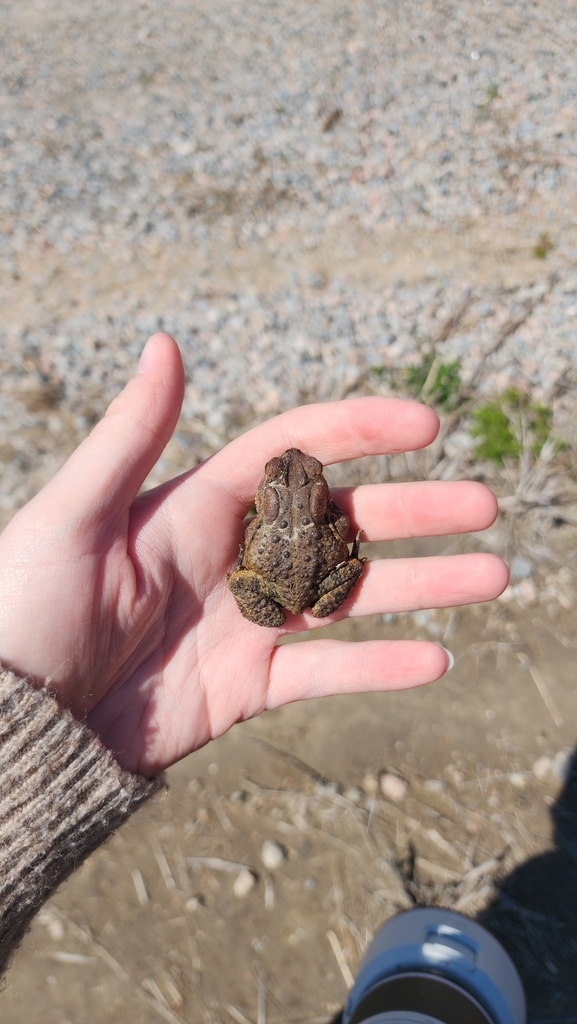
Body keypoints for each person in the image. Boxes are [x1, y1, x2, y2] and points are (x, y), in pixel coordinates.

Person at [0, 333, 508, 973]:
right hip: (315, 582)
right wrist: (342, 555)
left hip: (268, 582)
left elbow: (255, 542)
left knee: (260, 578)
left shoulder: (263, 522)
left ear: (277, 500)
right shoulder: (324, 522)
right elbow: (337, 535)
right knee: (322, 583)